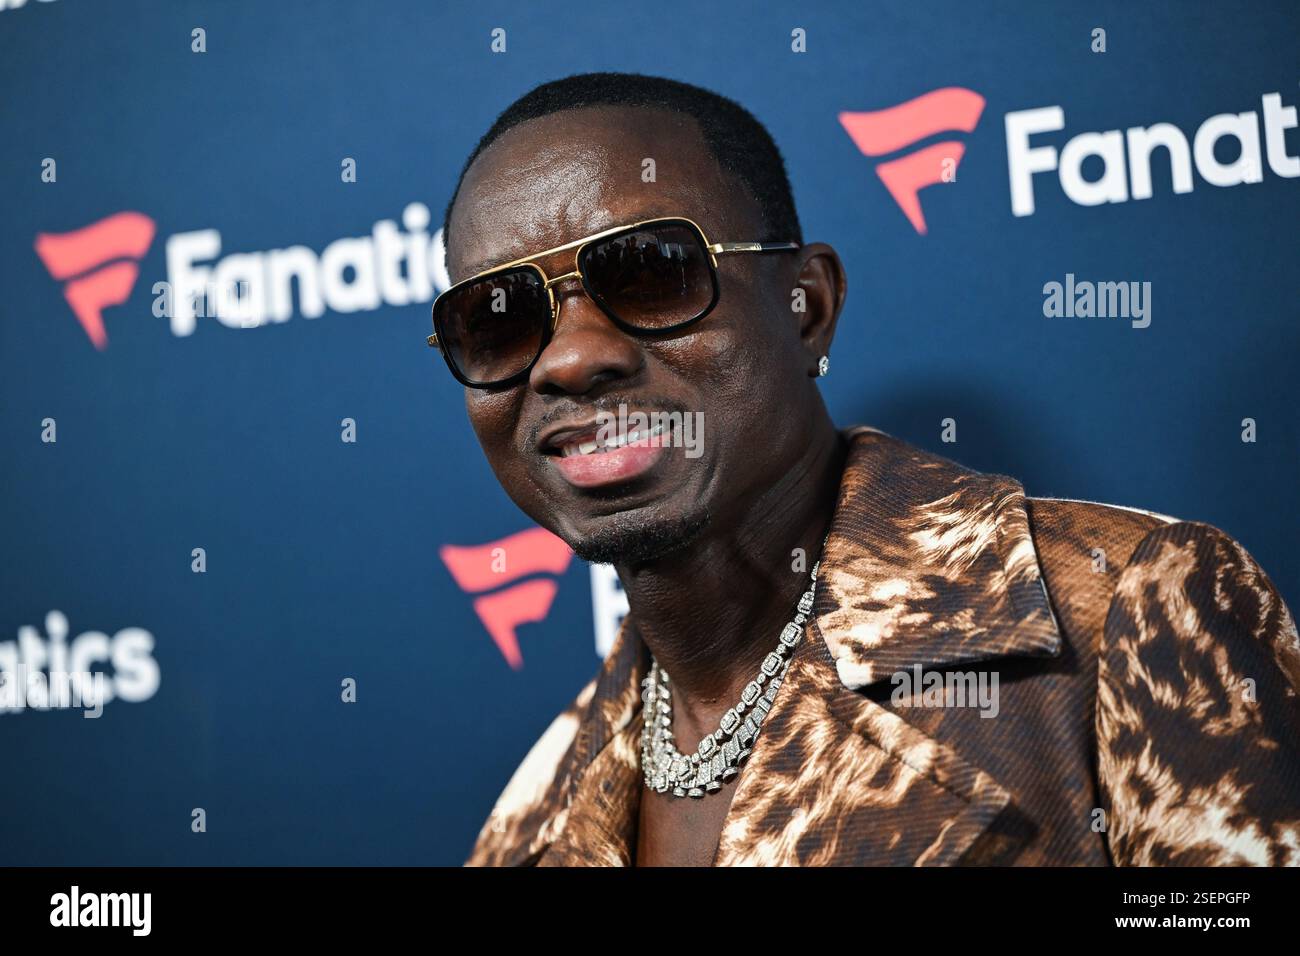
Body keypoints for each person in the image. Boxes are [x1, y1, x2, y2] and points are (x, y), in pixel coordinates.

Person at [431, 72, 1300, 866]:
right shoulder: (525, 827)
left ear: (807, 308)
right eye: (497, 320)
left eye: (653, 273)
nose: (571, 360)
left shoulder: (1124, 616)